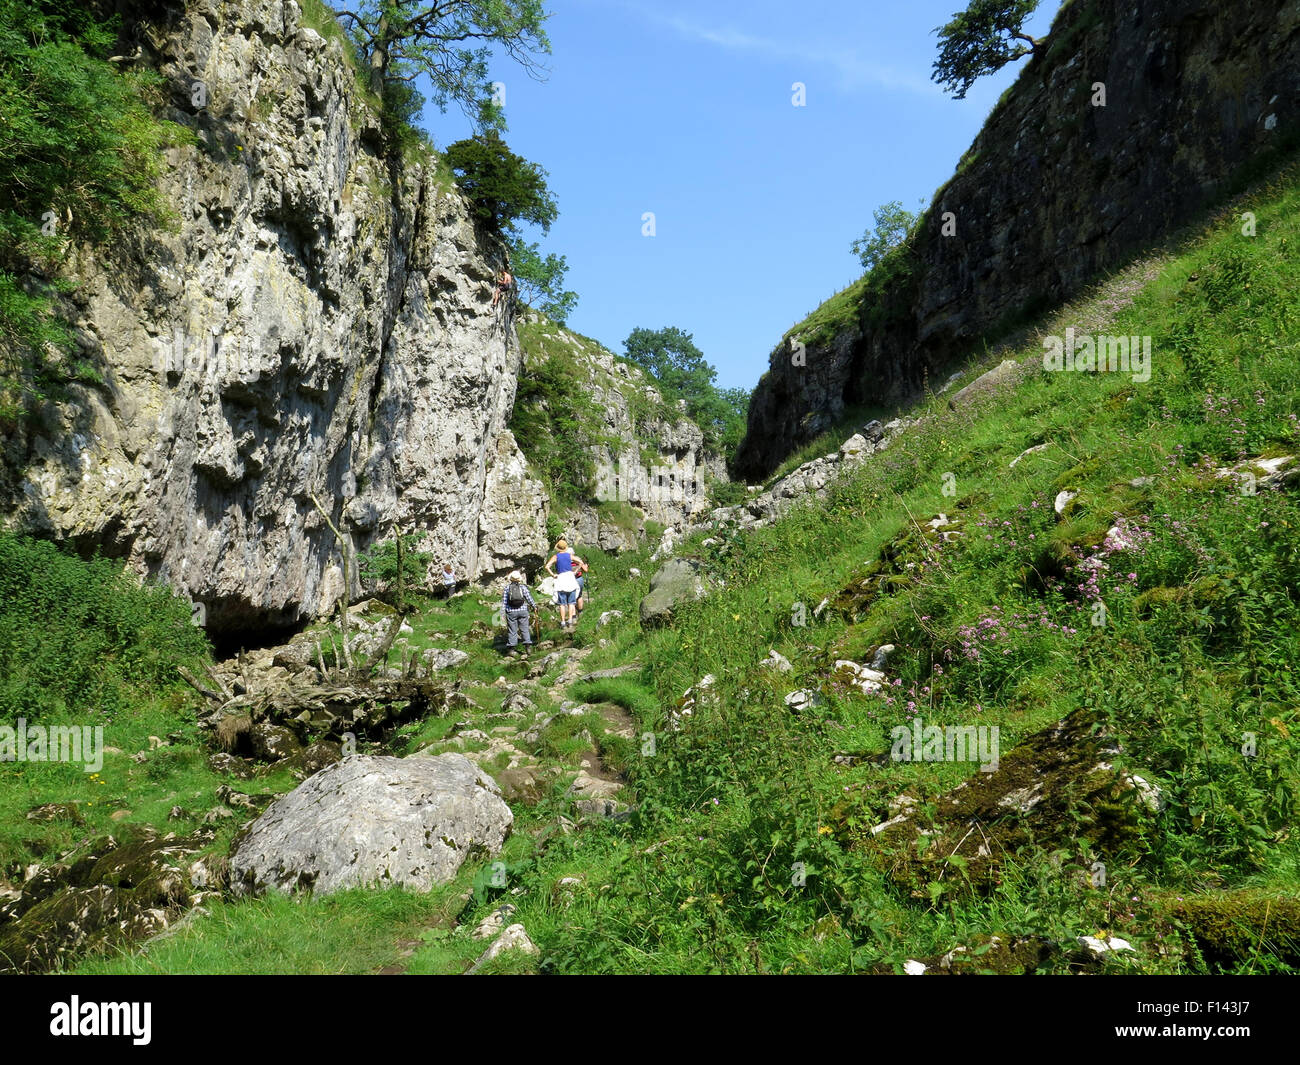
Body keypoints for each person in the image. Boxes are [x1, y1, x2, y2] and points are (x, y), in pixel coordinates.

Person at [544, 539, 585, 631]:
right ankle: (570, 621)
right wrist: (575, 571)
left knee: (562, 604)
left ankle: (563, 622)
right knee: (571, 602)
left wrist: (553, 575)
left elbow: (547, 566)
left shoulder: (556, 557)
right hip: (570, 578)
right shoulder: (569, 556)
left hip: (561, 579)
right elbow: (581, 562)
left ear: (558, 548)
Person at [501, 570, 535, 655]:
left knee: (512, 630)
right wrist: (534, 606)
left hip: (511, 611)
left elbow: (504, 601)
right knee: (525, 629)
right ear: (519, 579)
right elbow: (529, 598)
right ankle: (528, 647)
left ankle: (512, 649)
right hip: (523, 610)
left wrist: (502, 612)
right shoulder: (523, 587)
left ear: (511, 579)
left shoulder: (507, 588)